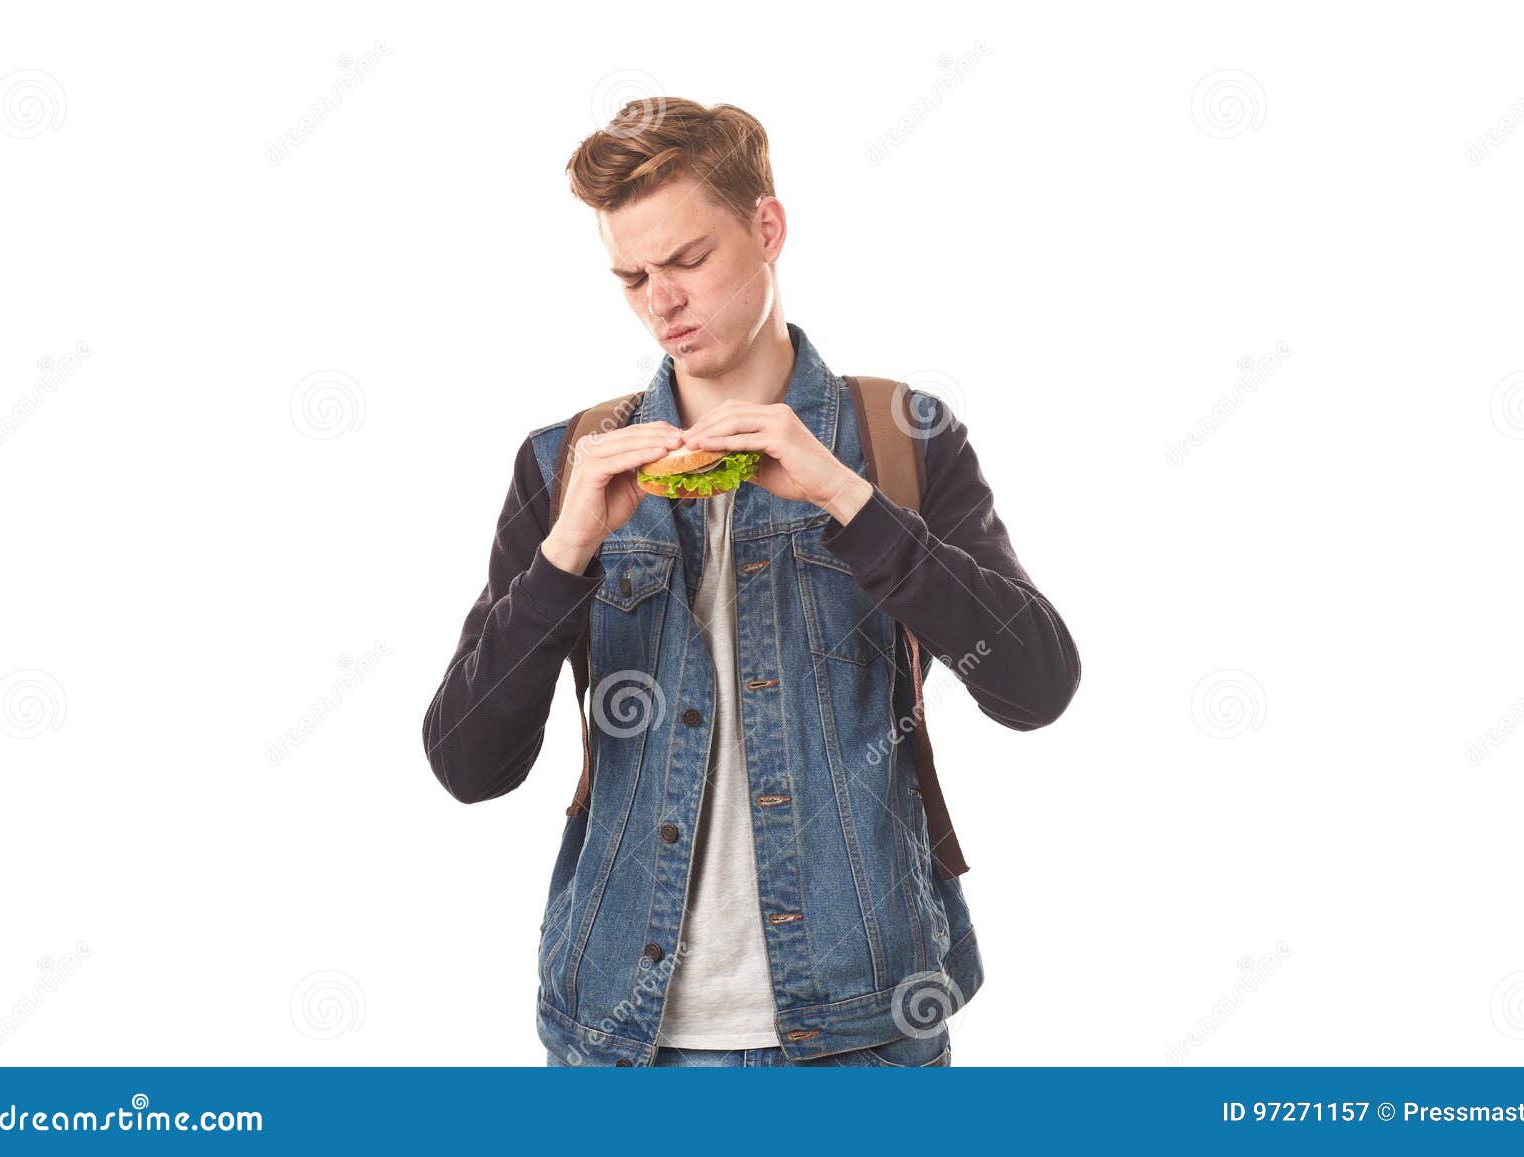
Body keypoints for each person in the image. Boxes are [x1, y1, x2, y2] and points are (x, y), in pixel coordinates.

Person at [421, 97, 1080, 1067]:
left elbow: (1035, 685)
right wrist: (565, 554)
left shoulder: (900, 434)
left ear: (766, 228)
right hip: (615, 1034)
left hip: (867, 1032)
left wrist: (849, 500)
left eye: (688, 260)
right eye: (633, 275)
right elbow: (467, 766)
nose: (662, 302)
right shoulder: (566, 461)